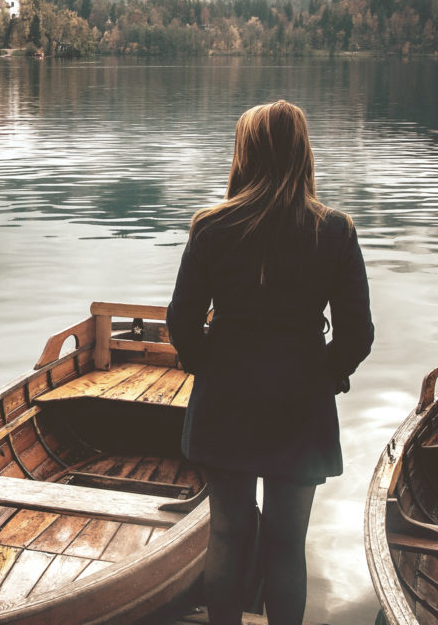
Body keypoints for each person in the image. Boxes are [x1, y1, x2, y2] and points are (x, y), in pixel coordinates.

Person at [166, 100, 374, 625]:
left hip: (226, 396)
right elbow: (357, 334)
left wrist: (207, 366)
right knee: (287, 542)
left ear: (245, 155)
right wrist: (325, 377)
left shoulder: (211, 228)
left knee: (228, 533)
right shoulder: (335, 231)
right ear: (303, 155)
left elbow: (183, 323)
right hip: (301, 400)